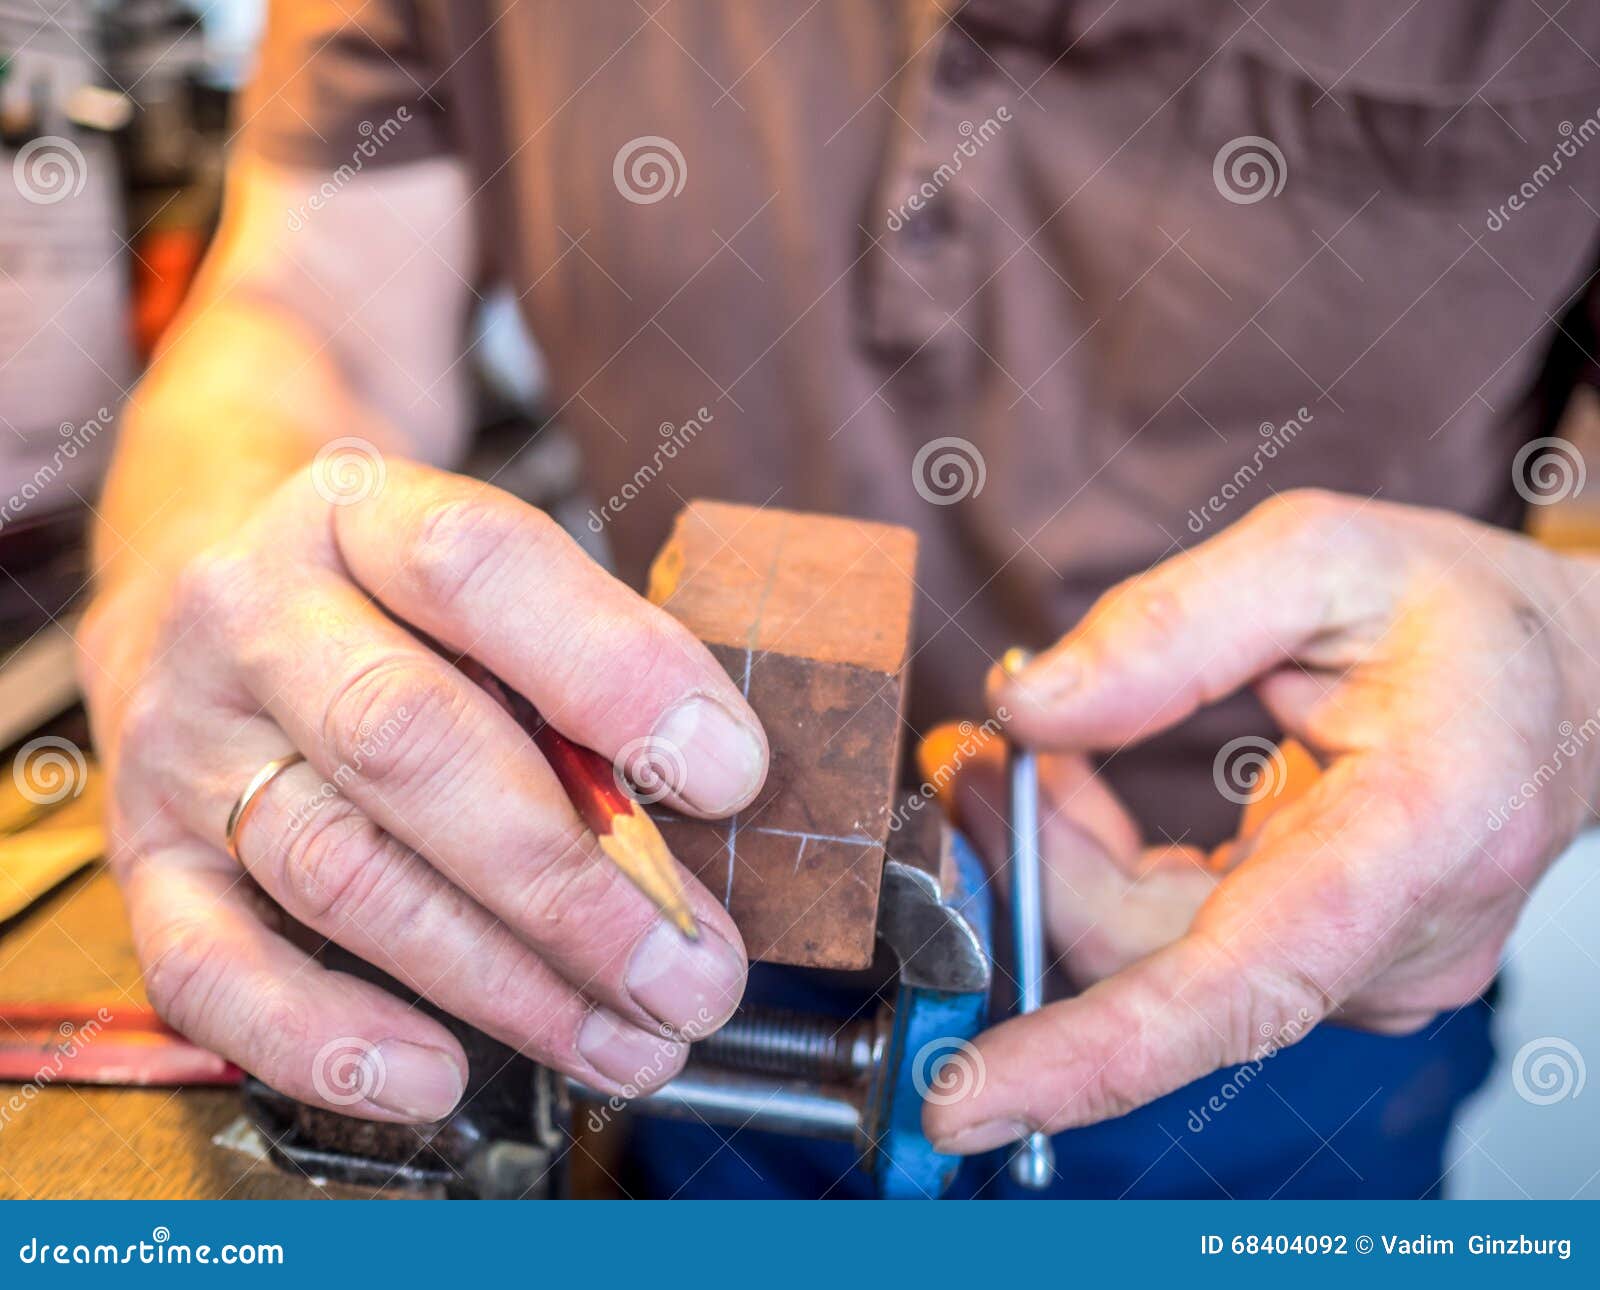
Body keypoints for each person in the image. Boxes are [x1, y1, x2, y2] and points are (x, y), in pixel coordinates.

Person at [79, 1, 1600, 1197]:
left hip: (1286, 1009)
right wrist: (213, 560)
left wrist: (1569, 665)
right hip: (691, 973)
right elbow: (308, 305)